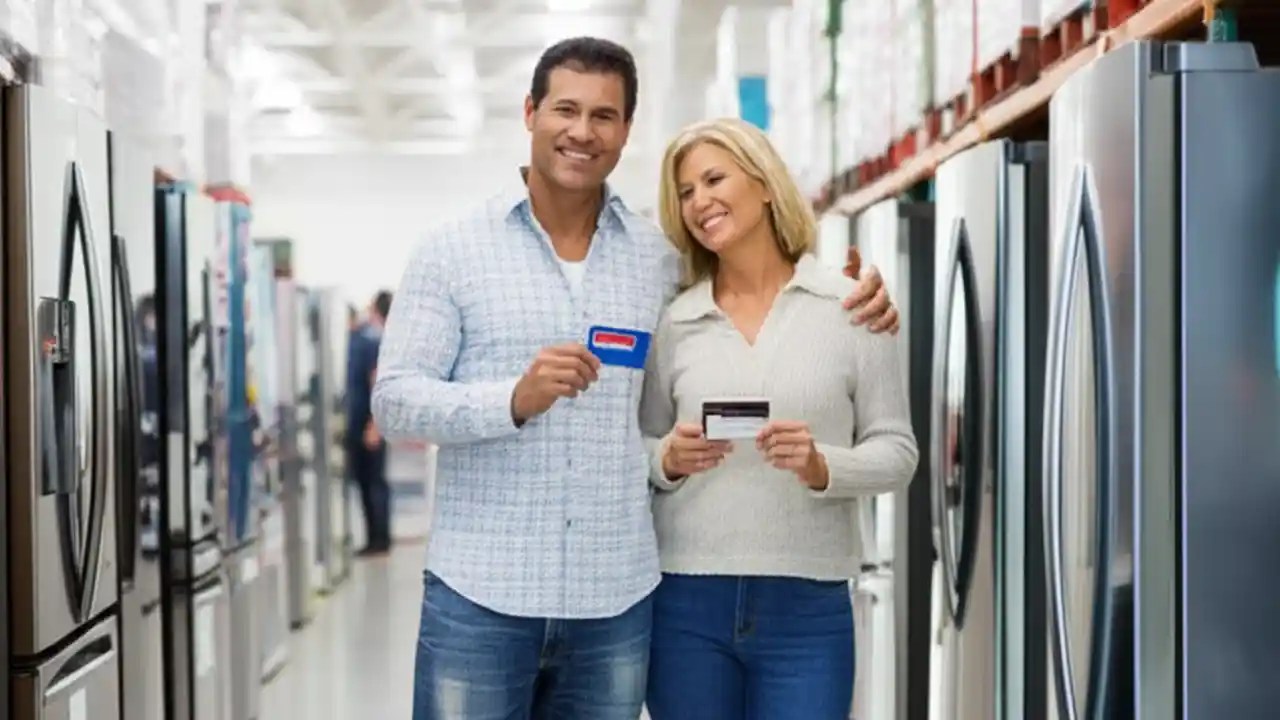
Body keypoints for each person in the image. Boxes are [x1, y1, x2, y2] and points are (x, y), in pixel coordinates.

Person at [371, 37, 900, 720]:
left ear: (625, 132)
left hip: (614, 607)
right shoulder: (453, 251)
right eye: (566, 109)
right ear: (529, 112)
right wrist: (511, 398)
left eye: (604, 116)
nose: (582, 132)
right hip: (482, 598)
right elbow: (395, 402)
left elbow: (755, 280)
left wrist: (853, 293)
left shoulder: (660, 263)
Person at [638, 118, 919, 719]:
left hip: (808, 605)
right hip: (685, 599)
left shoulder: (848, 308)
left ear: (764, 183)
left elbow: (897, 450)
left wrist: (823, 466)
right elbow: (636, 442)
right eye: (685, 192)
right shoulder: (676, 322)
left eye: (714, 179)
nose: (699, 202)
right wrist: (666, 458)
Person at [347, 290, 394, 557]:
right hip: (359, 424)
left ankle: (380, 540)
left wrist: (375, 425)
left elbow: (376, 381)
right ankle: (374, 538)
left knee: (374, 484)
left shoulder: (369, 341)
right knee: (366, 484)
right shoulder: (358, 340)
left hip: (369, 425)